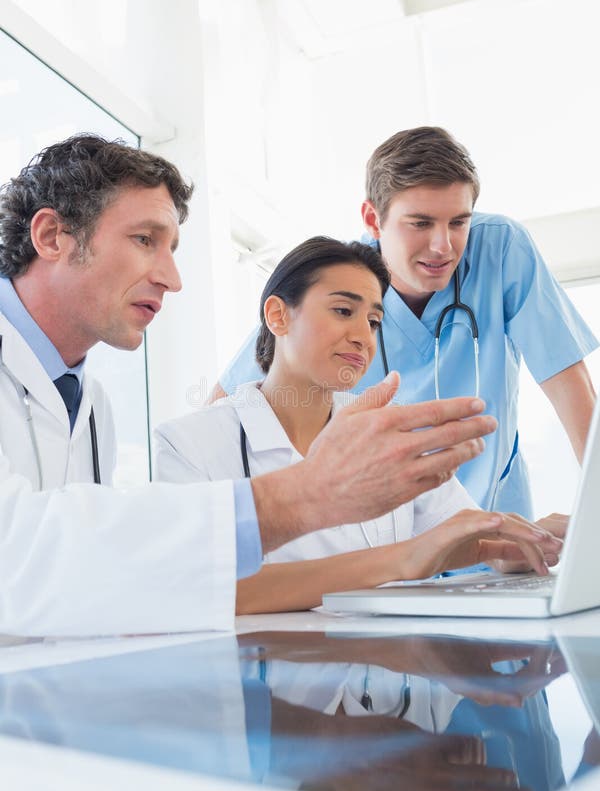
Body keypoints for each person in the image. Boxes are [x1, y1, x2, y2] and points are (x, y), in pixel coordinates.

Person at [0, 135, 499, 637]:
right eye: (145, 240)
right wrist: (310, 496)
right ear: (52, 236)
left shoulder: (92, 407)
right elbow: (23, 555)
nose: (173, 279)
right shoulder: (193, 439)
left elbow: (96, 582)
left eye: (372, 320)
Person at [155, 237, 565, 613]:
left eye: (373, 321)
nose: (363, 338)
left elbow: (462, 536)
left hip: (392, 661)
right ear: (278, 316)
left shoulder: (386, 429)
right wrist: (400, 560)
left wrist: (515, 544)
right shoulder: (189, 444)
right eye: (343, 311)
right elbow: (199, 590)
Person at [212, 127, 598, 518]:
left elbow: (572, 389)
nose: (443, 247)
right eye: (420, 223)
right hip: (384, 534)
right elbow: (224, 407)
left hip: (496, 521)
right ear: (373, 219)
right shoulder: (337, 280)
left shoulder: (500, 249)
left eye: (458, 222)